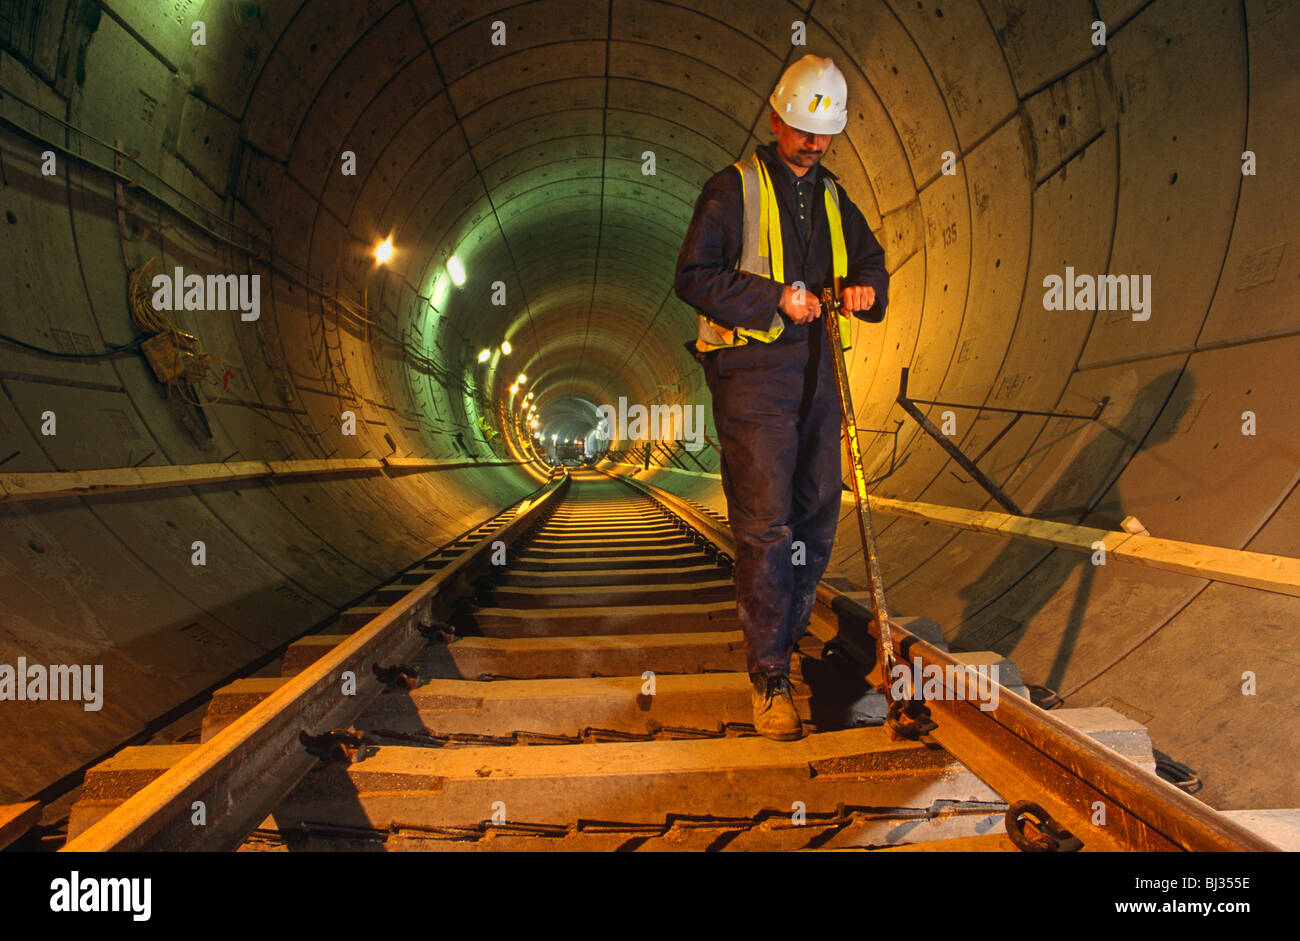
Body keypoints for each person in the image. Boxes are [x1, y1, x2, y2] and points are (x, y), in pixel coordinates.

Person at [673, 55, 890, 741]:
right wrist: (774, 298)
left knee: (818, 512)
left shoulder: (834, 196)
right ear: (776, 119)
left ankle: (787, 643)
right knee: (767, 523)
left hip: (819, 369)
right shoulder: (732, 189)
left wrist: (865, 290)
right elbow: (693, 275)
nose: (813, 143)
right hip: (751, 373)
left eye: (823, 134)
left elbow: (872, 264)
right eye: (802, 129)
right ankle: (769, 675)